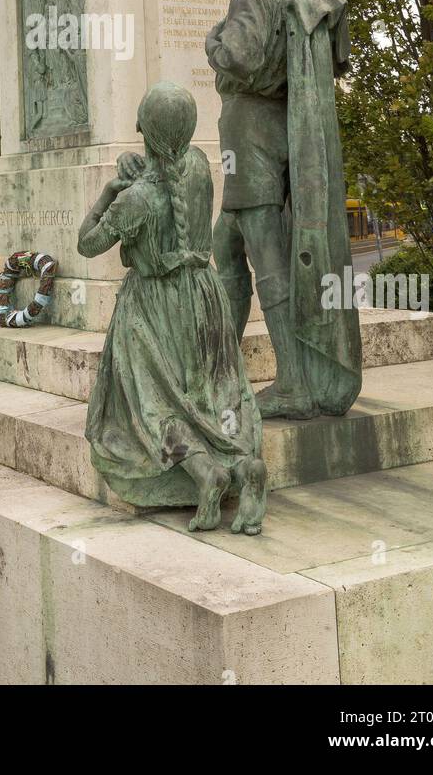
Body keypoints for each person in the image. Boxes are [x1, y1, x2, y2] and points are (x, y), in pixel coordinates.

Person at [80, 81, 266, 535]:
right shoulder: (200, 166)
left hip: (153, 307)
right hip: (205, 297)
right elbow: (167, 167)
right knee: (217, 396)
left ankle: (205, 475)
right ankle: (244, 463)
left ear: (146, 129)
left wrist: (109, 191)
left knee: (157, 403)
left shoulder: (135, 200)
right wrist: (141, 164)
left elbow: (87, 243)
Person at [205, 0, 362, 419]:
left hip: (250, 131)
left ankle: (292, 381)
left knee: (264, 254)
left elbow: (240, 59)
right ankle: (218, 371)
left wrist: (213, 41)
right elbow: (337, 57)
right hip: (287, 130)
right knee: (225, 245)